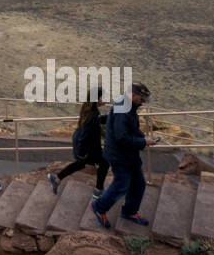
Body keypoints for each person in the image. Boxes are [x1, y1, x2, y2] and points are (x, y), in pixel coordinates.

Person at [92, 82, 157, 228]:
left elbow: (130, 130)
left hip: (129, 155)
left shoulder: (129, 106)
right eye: (141, 99)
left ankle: (130, 211)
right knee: (122, 184)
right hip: (119, 156)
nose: (143, 103)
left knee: (139, 184)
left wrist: (144, 138)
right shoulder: (123, 110)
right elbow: (122, 138)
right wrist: (143, 142)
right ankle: (98, 207)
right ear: (133, 96)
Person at [49, 88, 109, 197]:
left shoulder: (90, 110)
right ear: (97, 99)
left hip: (87, 146)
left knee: (80, 164)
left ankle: (56, 178)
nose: (105, 99)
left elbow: (96, 121)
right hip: (87, 147)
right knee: (104, 163)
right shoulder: (93, 114)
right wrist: (82, 153)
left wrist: (108, 117)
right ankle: (98, 190)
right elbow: (86, 134)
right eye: (103, 97)